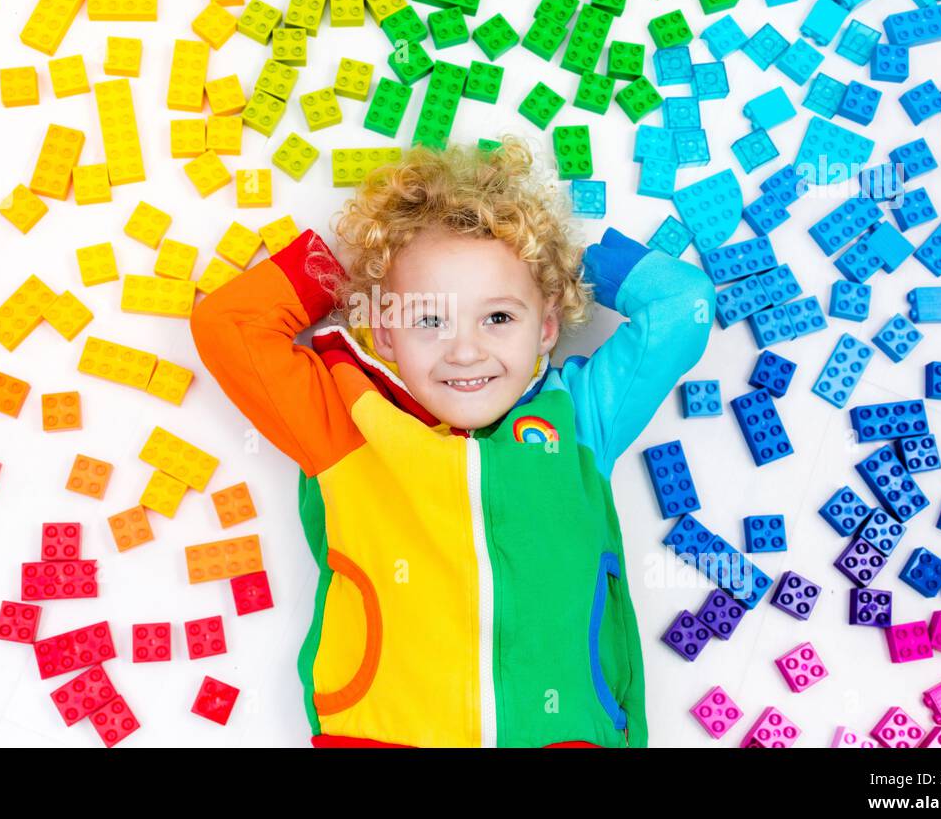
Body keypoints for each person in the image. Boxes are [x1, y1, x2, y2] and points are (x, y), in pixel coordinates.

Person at [190, 136, 714, 747]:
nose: (466, 351)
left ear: (546, 327)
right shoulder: (346, 426)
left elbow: (683, 306)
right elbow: (228, 326)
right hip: (387, 735)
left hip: (569, 735)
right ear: (385, 333)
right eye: (429, 320)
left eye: (499, 317)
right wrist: (344, 266)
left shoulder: (580, 423)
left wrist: (570, 262)